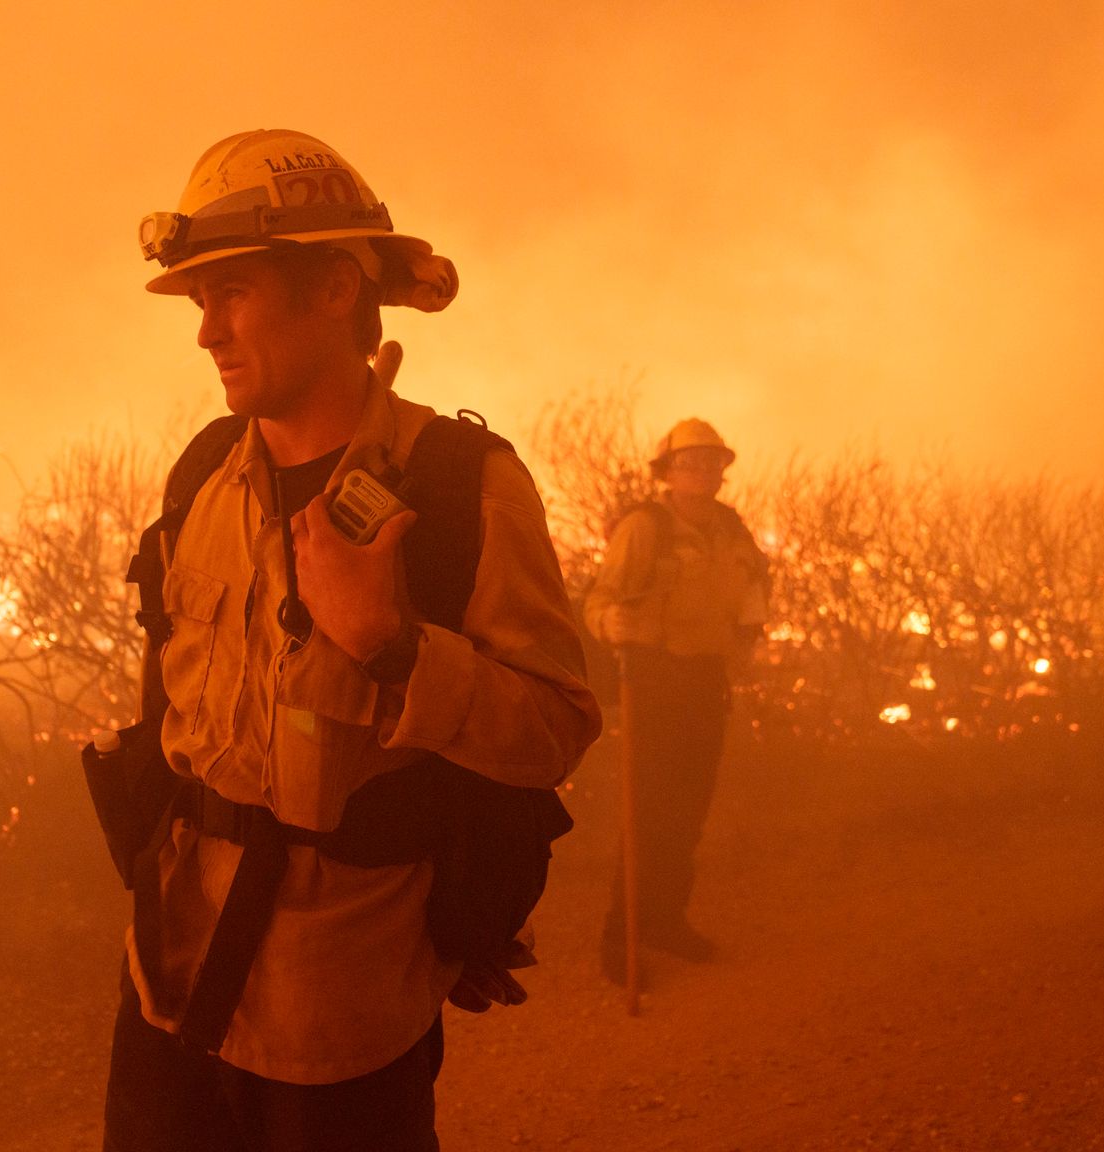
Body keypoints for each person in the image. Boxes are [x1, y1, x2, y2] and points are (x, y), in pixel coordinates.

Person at [105, 128, 601, 1151]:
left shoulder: (460, 484)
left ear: (335, 286)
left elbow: (555, 726)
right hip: (168, 976)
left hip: (337, 1011)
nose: (206, 331)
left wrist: (388, 640)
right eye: (198, 300)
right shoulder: (203, 476)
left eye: (232, 290)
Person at [583, 418, 769, 982]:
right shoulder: (644, 528)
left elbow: (755, 587)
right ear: (668, 472)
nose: (703, 472)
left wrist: (748, 634)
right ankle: (623, 936)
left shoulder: (732, 530)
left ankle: (665, 919)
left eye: (712, 463)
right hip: (654, 679)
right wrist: (610, 622)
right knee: (649, 811)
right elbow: (601, 601)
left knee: (689, 813)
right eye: (690, 463)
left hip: (706, 682)